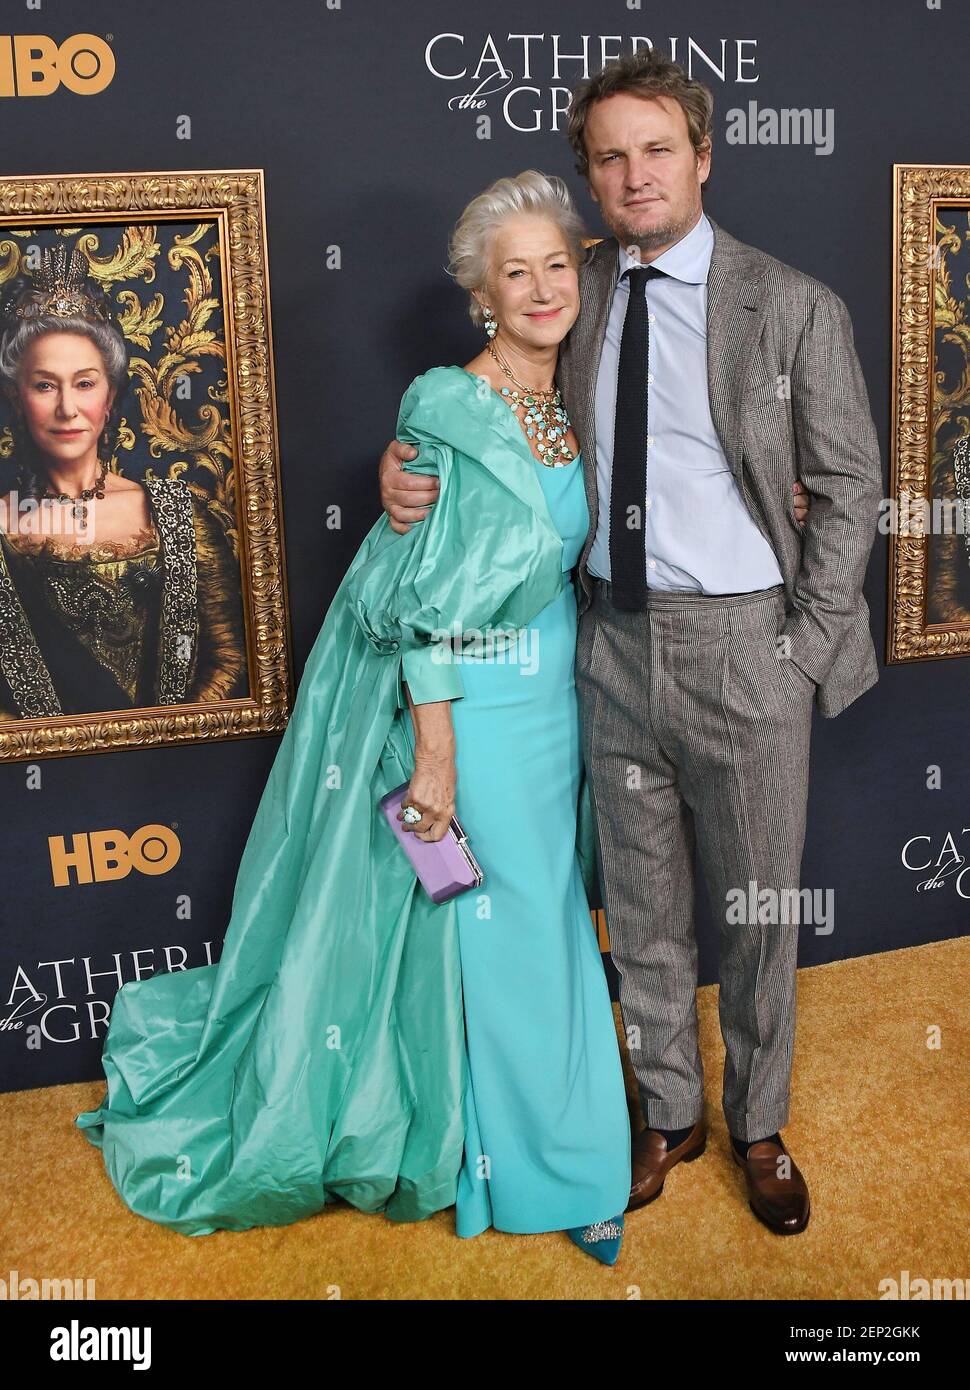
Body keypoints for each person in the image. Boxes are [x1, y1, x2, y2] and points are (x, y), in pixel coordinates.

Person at [75, 172, 643, 1265]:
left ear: (583, 274)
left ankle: (527, 1138)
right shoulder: (445, 405)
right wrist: (434, 753)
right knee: (515, 925)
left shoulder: (579, 392)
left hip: (560, 700)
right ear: (480, 294)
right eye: (512, 272)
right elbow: (426, 602)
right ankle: (550, 1171)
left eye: (556, 265)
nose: (538, 288)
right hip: (470, 704)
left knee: (545, 921)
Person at [380, 48, 876, 1238]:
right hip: (606, 643)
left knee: (756, 909)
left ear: (702, 157)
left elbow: (852, 486)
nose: (634, 172)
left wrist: (800, 648)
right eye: (609, 155)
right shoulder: (577, 287)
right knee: (643, 906)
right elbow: (487, 399)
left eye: (657, 148)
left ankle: (757, 1123)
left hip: (744, 645)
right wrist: (408, 469)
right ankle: (667, 1110)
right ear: (588, 177)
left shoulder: (792, 303)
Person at [0, 242, 245, 719]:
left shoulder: (177, 515)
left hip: (172, 769)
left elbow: (230, 661)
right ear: (16, 397)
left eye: (85, 383)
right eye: (45, 385)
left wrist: (162, 743)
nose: (67, 408)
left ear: (110, 394)